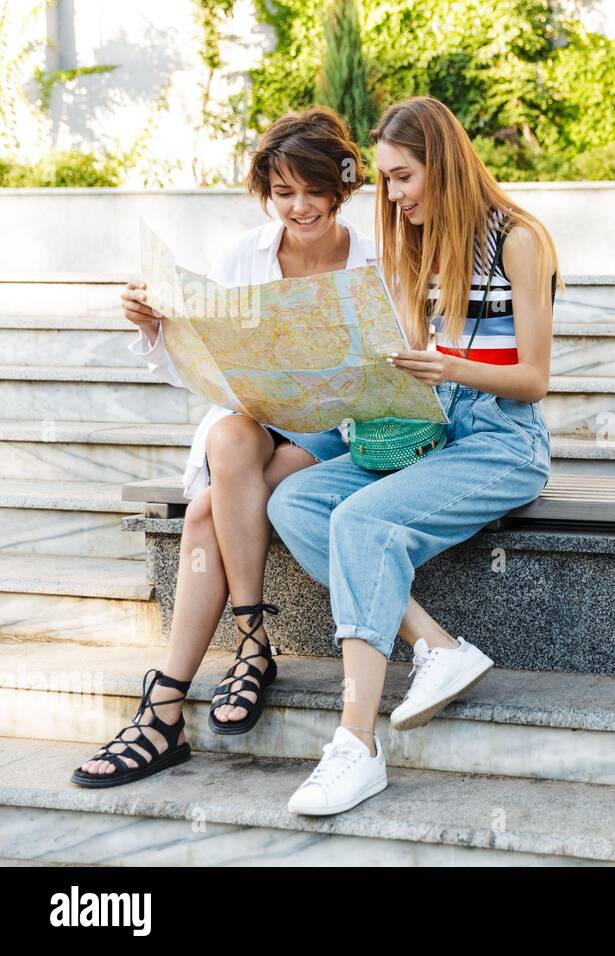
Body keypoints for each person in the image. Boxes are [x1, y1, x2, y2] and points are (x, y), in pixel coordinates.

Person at [266, 96, 560, 815]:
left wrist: (449, 368)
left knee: (361, 524)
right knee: (295, 502)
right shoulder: (417, 243)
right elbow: (405, 360)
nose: (392, 195)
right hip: (429, 427)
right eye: (390, 181)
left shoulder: (520, 239)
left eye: (402, 177)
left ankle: (356, 742)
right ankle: (434, 644)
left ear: (443, 164)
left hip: (501, 437)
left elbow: (535, 379)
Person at [72, 107, 375, 787]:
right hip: (253, 422)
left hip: (336, 432)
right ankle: (248, 640)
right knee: (229, 432)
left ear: (342, 185)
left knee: (210, 510)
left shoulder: (373, 256)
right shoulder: (244, 254)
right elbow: (205, 368)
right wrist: (158, 330)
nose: (299, 207)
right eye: (283, 191)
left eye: (313, 190)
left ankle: (171, 702)